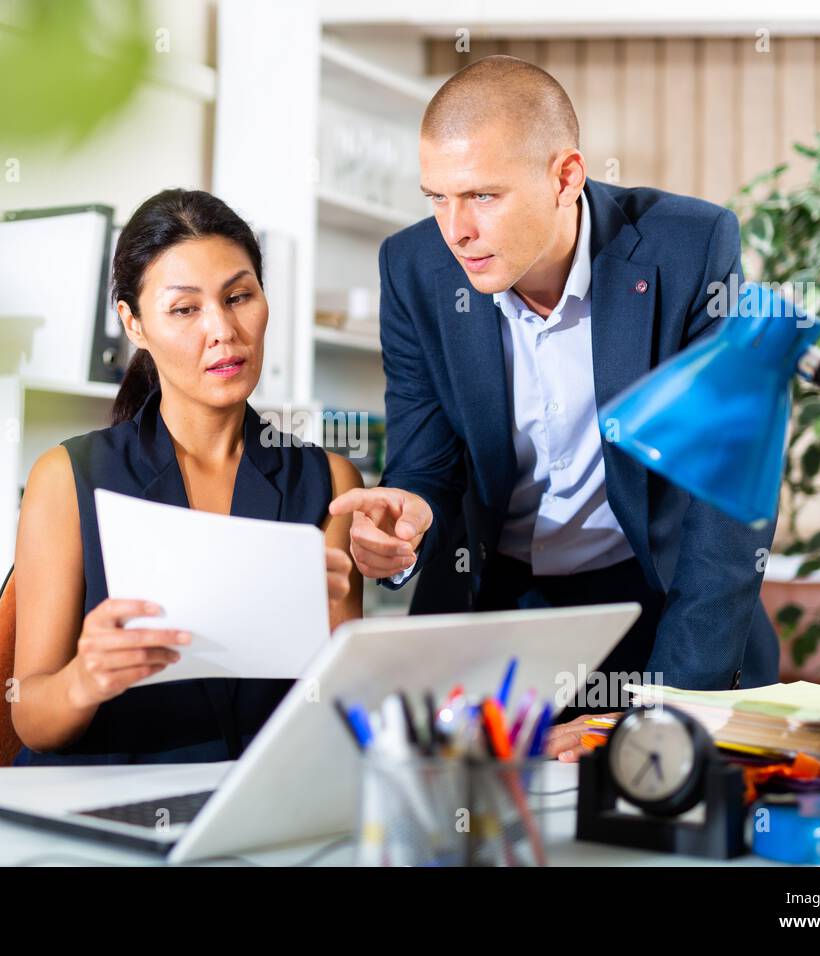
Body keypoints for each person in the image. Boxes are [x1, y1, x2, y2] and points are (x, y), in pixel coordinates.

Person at [329, 55, 778, 761]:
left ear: (565, 176)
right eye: (436, 198)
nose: (457, 230)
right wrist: (408, 518)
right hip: (499, 620)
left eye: (481, 195)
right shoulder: (413, 268)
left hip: (659, 610)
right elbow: (427, 463)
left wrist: (657, 716)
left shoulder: (688, 247)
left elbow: (722, 506)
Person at [12, 188, 363, 765]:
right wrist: (86, 678)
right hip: (106, 794)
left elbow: (336, 705)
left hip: (255, 801)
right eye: (184, 309)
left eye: (239, 296)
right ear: (134, 323)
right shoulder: (68, 477)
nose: (222, 329)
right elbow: (31, 716)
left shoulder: (328, 482)